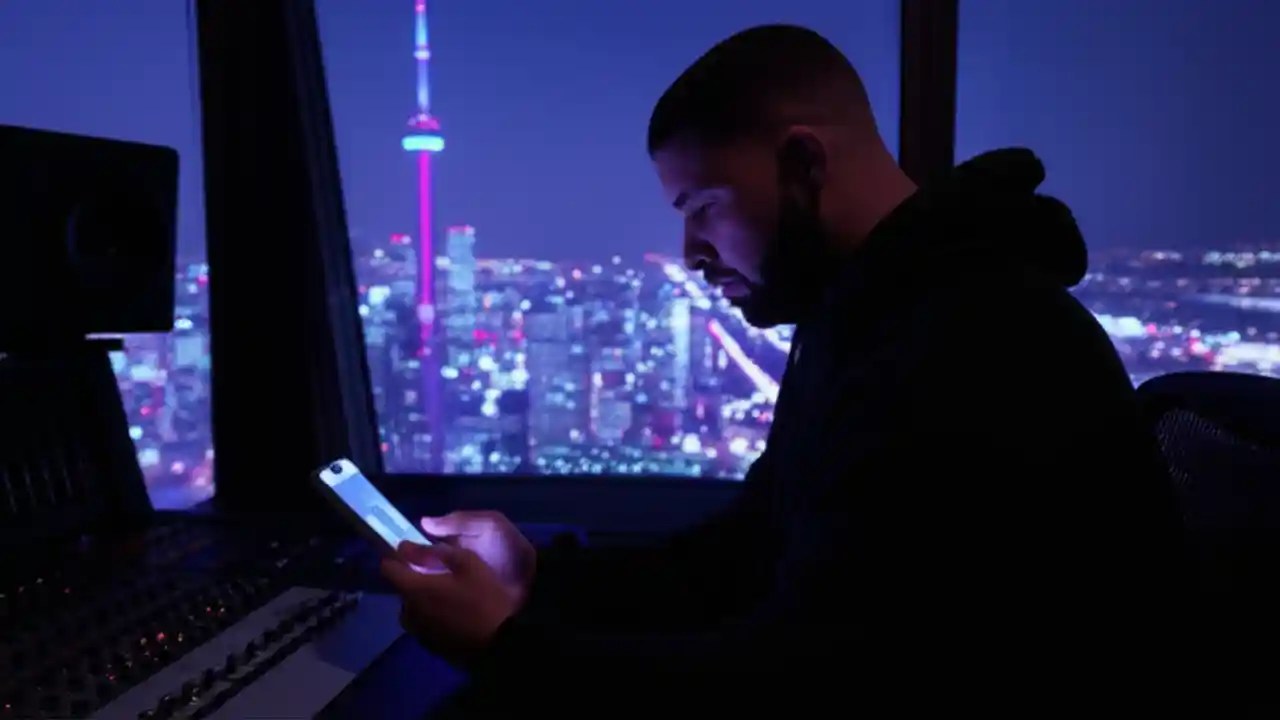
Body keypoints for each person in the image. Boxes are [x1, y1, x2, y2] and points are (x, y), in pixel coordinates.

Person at [379, 24, 1188, 713]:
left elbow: (801, 687)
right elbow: (744, 556)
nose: (692, 254)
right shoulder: (867, 317)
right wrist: (539, 577)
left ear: (803, 165)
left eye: (703, 209)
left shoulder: (976, 349)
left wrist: (507, 647)